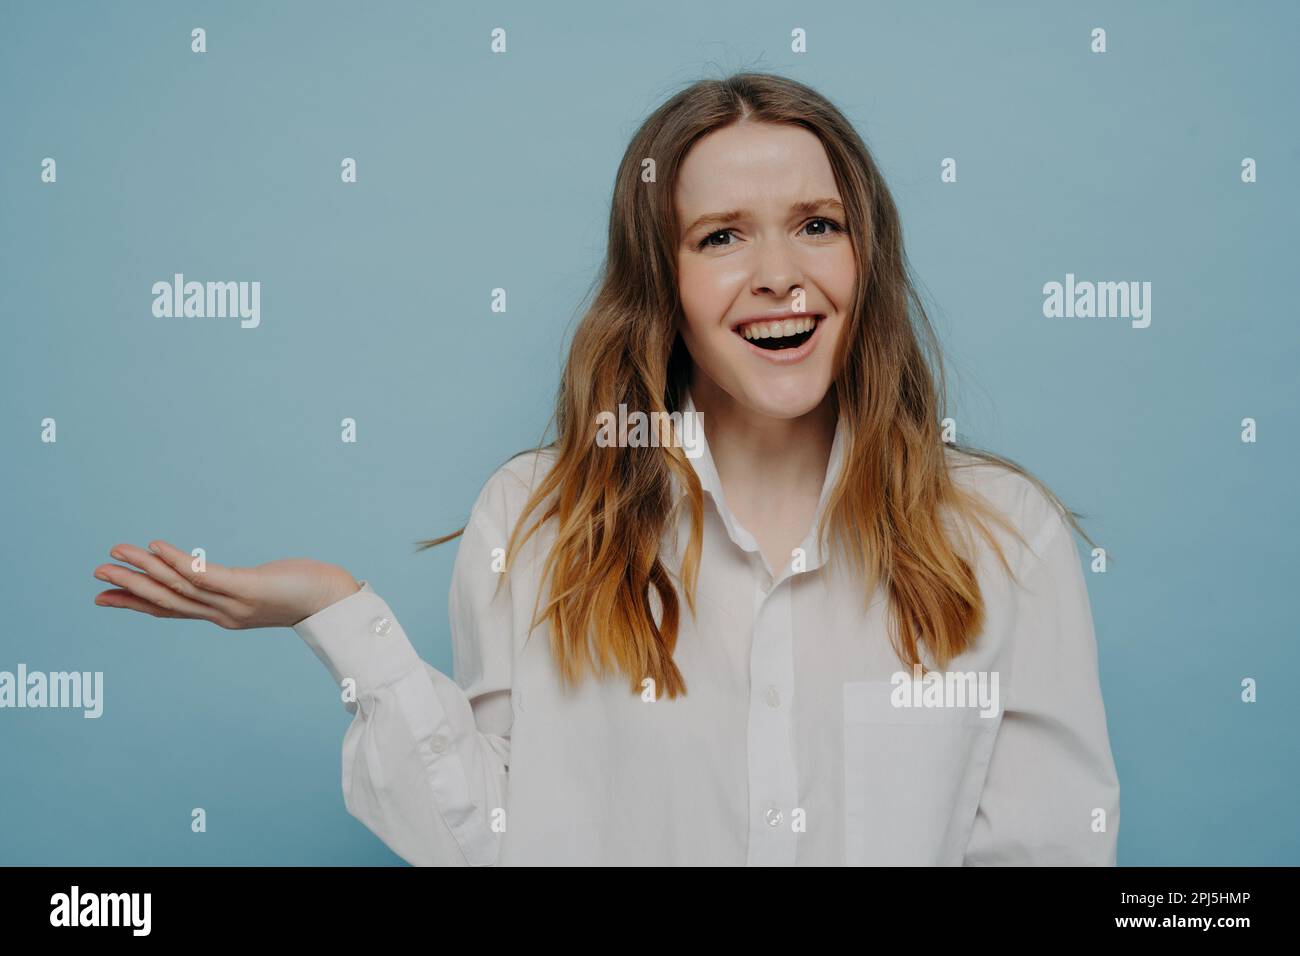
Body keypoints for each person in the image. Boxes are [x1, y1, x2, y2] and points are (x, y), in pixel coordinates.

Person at [92, 72, 1120, 866]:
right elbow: (489, 843)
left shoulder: (1000, 533)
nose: (778, 274)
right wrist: (342, 616)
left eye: (817, 224)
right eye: (721, 236)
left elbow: (1047, 853)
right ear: (661, 283)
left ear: (864, 257)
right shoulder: (536, 521)